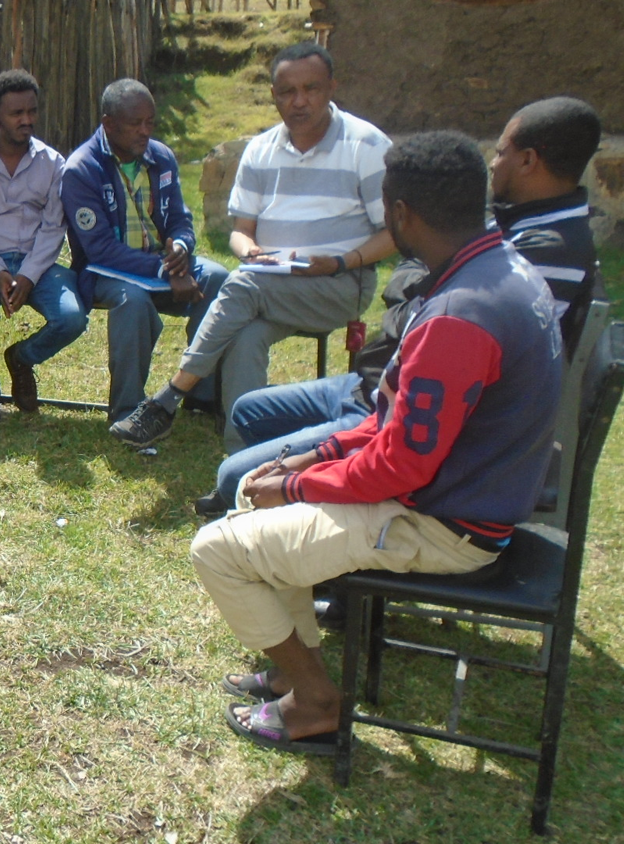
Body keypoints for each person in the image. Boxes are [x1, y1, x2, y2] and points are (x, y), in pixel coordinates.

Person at [195, 131, 563, 754]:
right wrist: (306, 461)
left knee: (217, 550)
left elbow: (399, 465)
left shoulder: (457, 316)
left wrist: (291, 484)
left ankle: (315, 702)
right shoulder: (502, 271)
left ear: (399, 214)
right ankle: (292, 668)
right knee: (266, 511)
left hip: (446, 527)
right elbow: (392, 421)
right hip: (465, 498)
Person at [197, 96, 604, 521]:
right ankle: (275, 495)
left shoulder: (545, 253)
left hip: (402, 412)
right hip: (377, 386)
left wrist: (311, 471)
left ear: (528, 161)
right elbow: (406, 281)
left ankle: (272, 508)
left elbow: (433, 358)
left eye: (501, 151)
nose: (494, 162)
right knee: (248, 410)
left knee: (232, 479)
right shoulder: (512, 227)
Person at [112, 42, 395, 451]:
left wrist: (338, 262)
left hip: (340, 284)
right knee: (246, 336)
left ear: (332, 87)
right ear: (273, 95)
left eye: (311, 89)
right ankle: (241, 454)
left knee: (244, 287)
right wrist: (249, 252)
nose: (299, 101)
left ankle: (168, 398)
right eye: (287, 92)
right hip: (274, 283)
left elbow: (394, 233)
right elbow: (240, 231)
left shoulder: (367, 146)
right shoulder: (261, 150)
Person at [61, 78, 230, 432]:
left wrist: (181, 249)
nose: (144, 131)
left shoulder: (161, 157)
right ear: (108, 124)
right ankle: (126, 409)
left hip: (163, 264)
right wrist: (165, 271)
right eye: (134, 123)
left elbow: (181, 219)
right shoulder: (82, 169)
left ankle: (203, 395)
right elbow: (100, 249)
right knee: (133, 300)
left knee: (217, 279)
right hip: (106, 271)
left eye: (149, 122)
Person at [0, 69, 85, 436]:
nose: (26, 120)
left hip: (37, 265)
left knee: (72, 317)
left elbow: (54, 226)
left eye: (32, 111)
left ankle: (21, 359)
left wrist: (28, 275)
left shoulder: (54, 163)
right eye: (16, 113)